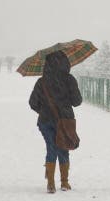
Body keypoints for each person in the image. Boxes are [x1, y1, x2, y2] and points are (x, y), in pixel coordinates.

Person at [28, 51, 82, 193]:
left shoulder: (41, 82)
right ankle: (64, 182)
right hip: (64, 120)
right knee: (63, 147)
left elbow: (32, 103)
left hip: (45, 121)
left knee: (51, 147)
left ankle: (51, 184)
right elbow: (77, 101)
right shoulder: (69, 80)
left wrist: (44, 111)